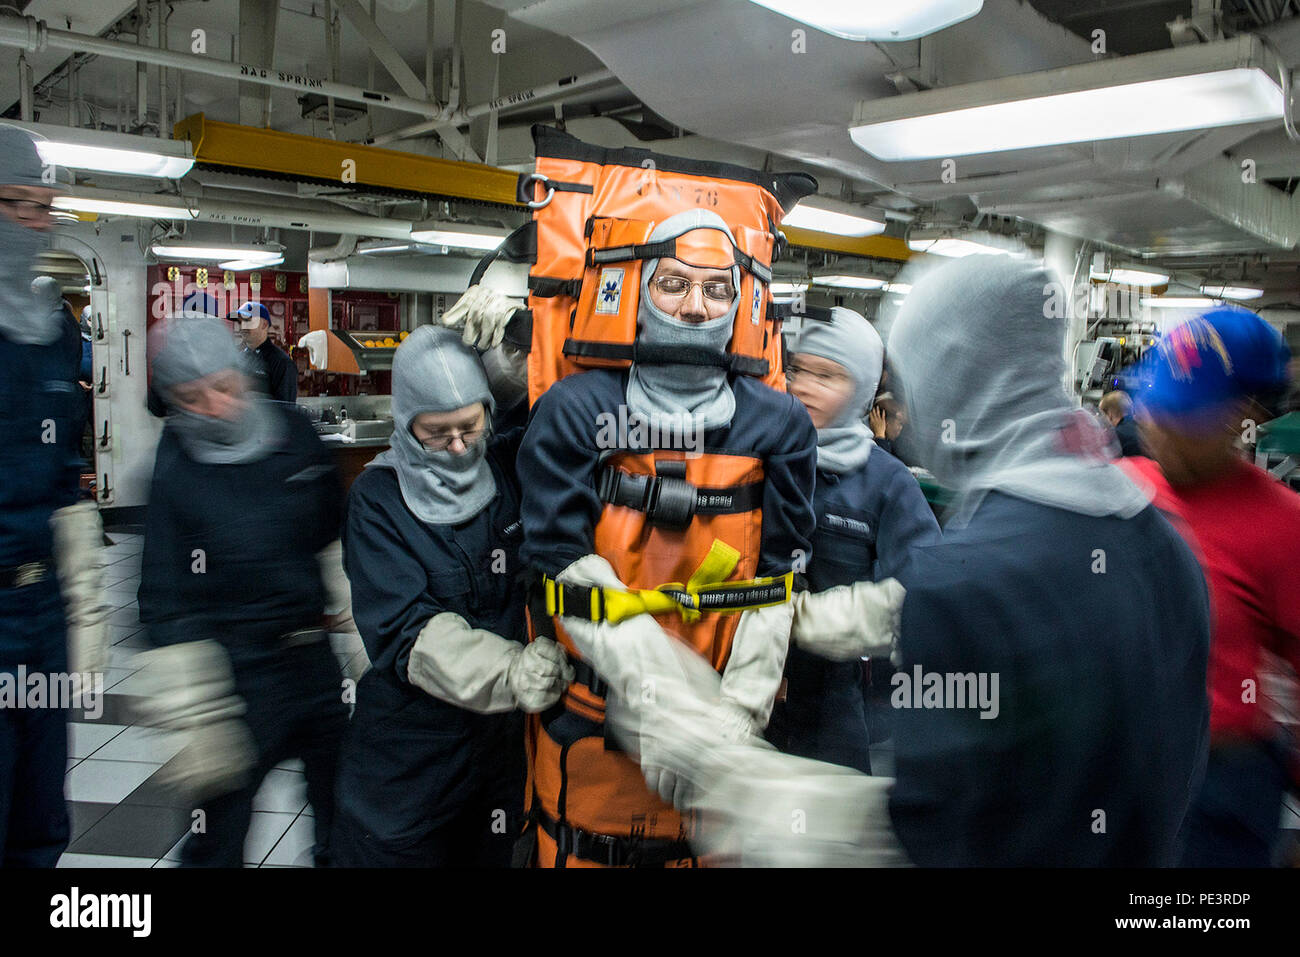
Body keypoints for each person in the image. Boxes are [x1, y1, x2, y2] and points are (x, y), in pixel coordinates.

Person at [559, 255, 1214, 867]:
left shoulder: (963, 579)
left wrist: (707, 758)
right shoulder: (1165, 545)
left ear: (950, 376)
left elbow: (923, 843)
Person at [506, 209, 817, 867]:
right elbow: (560, 566)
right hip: (596, 724)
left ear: (742, 301)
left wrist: (735, 720)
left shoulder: (781, 422)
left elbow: (782, 576)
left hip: (724, 732)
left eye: (717, 288)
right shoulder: (577, 409)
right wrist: (667, 710)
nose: (696, 306)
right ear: (635, 288)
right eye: (673, 283)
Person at [332, 325, 571, 867]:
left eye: (469, 426)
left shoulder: (508, 466)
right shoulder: (378, 499)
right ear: (405, 423)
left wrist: (521, 328)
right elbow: (405, 630)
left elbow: (560, 405)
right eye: (436, 433)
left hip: (500, 749)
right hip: (411, 751)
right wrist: (509, 669)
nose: (460, 447)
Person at [135, 316, 347, 867]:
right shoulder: (175, 466)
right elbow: (161, 596)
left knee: (347, 814)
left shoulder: (294, 434)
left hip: (312, 660)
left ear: (244, 376)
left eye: (224, 388)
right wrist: (195, 709)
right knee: (220, 833)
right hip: (233, 675)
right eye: (192, 397)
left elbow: (333, 530)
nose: (214, 405)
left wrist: (347, 600)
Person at [1120, 307, 1299, 868]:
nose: (1153, 423)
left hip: (1218, 788)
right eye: (1152, 403)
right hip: (1114, 766)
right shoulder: (1116, 492)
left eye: (1180, 411)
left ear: (1239, 417)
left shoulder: (1281, 525)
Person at [769, 307, 939, 772]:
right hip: (744, 694)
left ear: (863, 388)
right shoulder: (754, 459)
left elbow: (924, 591)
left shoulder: (887, 483)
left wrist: (816, 621)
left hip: (828, 706)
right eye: (798, 369)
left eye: (828, 375)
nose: (803, 386)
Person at [0, 125, 81, 867]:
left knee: (40, 810)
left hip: (41, 610)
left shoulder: (53, 326)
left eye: (47, 206)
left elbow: (65, 473)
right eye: (21, 206)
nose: (39, 223)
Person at [231, 301, 297, 404]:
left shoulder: (282, 363)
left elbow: (286, 410)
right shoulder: (237, 359)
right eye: (240, 322)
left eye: (248, 321)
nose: (243, 327)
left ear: (264, 325)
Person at [1099, 389, 1142, 457]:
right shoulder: (1143, 430)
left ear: (1110, 414)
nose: (1102, 418)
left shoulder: (1116, 435)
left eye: (1102, 414)